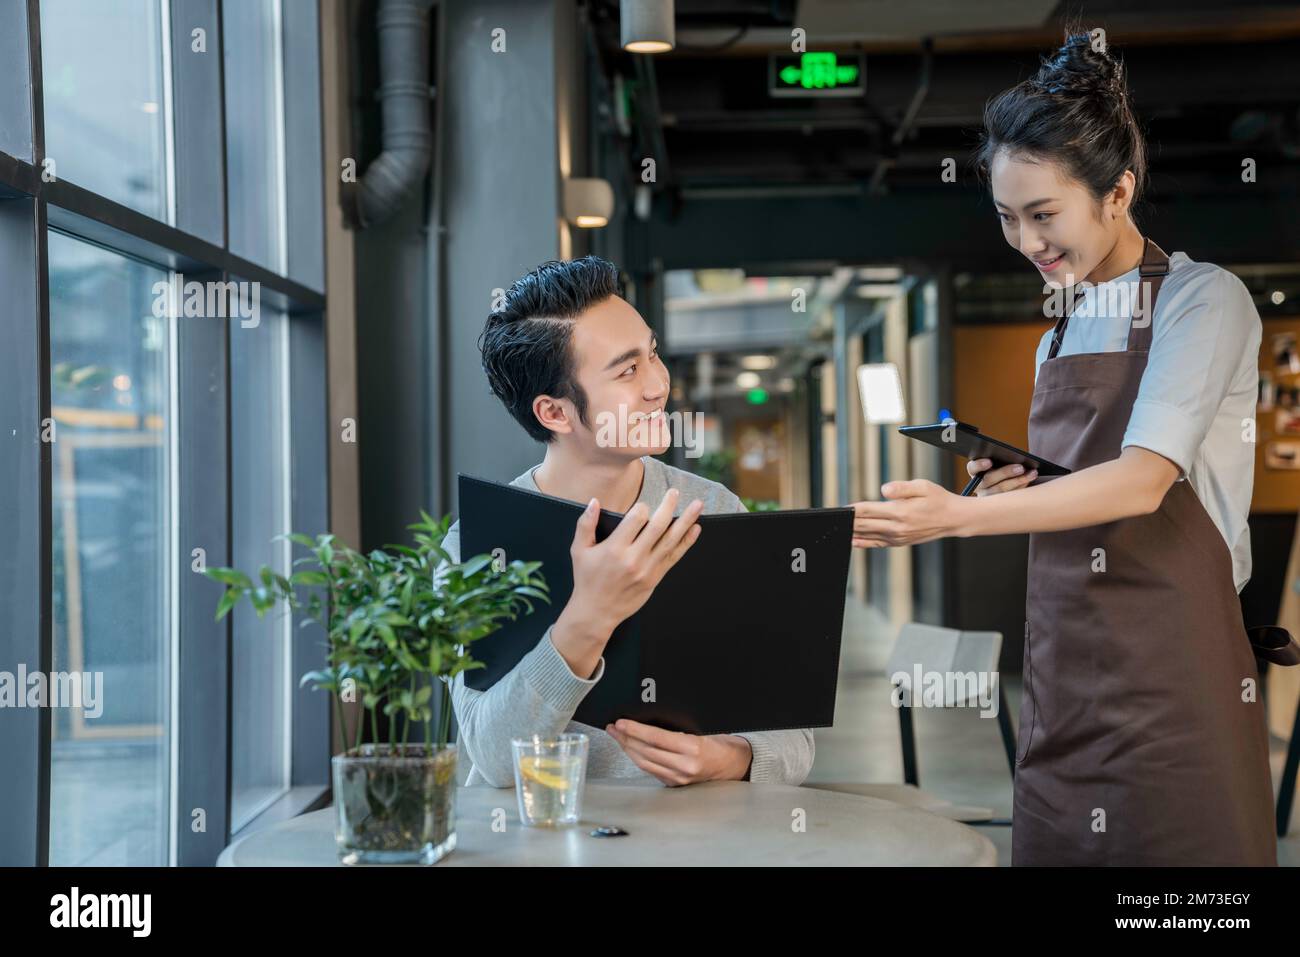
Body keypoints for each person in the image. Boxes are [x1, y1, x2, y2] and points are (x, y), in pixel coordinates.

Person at [852, 32, 1276, 866]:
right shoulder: (1063, 326)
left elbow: (1142, 482)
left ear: (1117, 192)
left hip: (1174, 672)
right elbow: (1083, 484)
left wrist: (952, 522)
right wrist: (1007, 487)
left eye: (1044, 214)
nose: (1026, 241)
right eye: (1008, 218)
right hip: (1064, 670)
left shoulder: (1202, 301)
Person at [440, 256, 815, 788]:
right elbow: (496, 761)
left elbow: (795, 738)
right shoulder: (479, 546)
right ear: (555, 413)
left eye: (652, 355)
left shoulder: (712, 511)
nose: (658, 384)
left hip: (694, 842)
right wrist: (591, 614)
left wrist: (729, 760)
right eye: (627, 370)